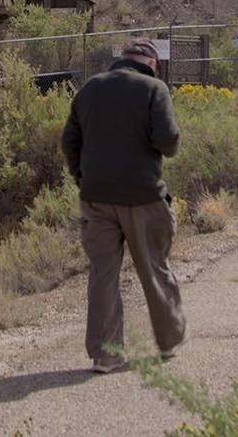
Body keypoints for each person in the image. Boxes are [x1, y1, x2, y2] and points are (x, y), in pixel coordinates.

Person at [60, 37, 185, 373]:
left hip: (96, 198)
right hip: (143, 196)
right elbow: (169, 142)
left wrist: (82, 178)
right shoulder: (154, 89)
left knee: (103, 275)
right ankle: (169, 340)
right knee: (154, 268)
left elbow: (69, 142)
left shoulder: (89, 89)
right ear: (152, 64)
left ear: (121, 60)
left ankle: (106, 353)